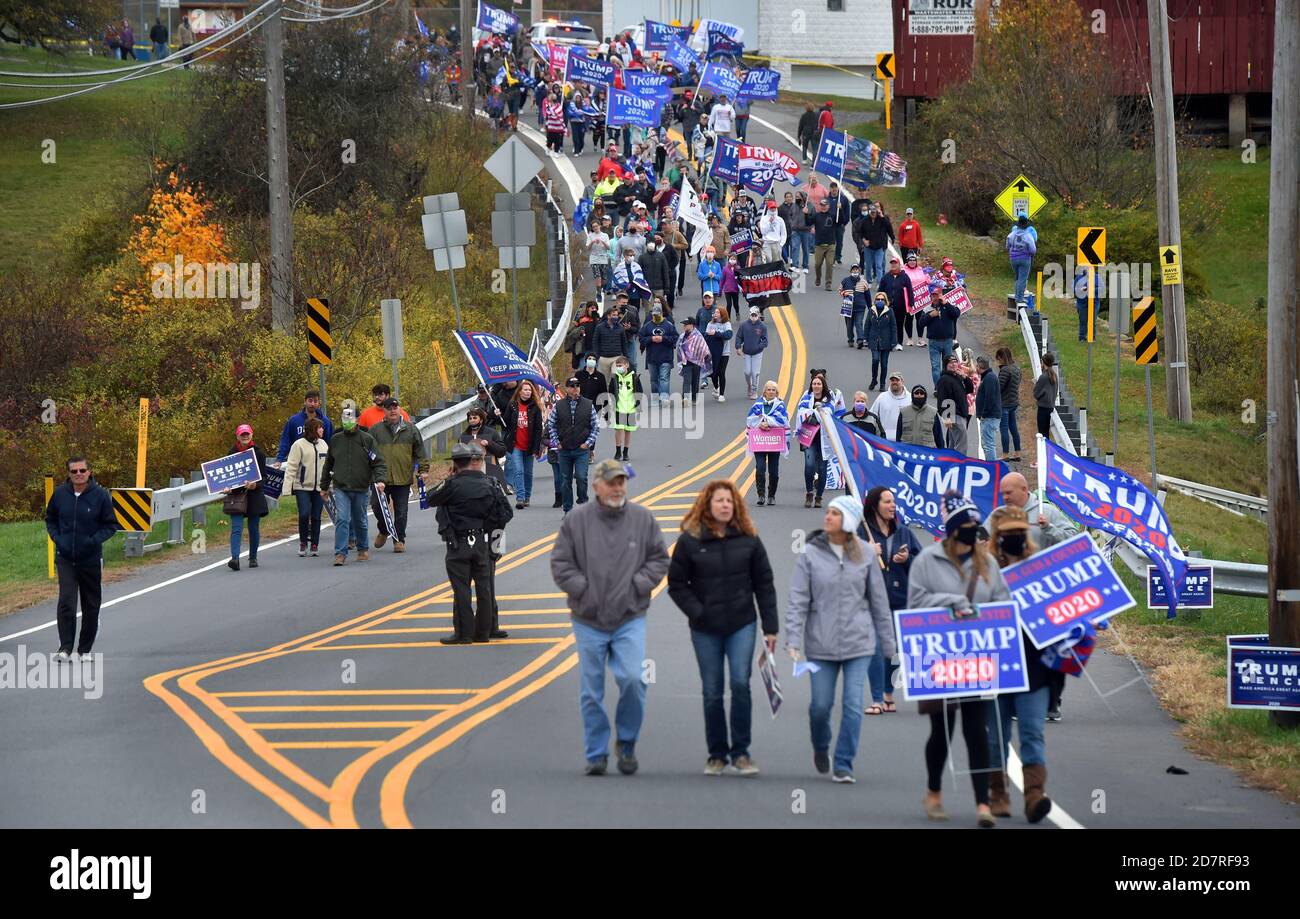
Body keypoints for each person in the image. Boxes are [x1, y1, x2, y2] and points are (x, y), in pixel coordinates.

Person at [551, 458, 670, 775]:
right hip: (588, 619)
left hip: (629, 617)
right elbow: (561, 564)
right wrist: (583, 591)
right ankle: (596, 753)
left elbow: (659, 559)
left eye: (622, 482)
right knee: (592, 691)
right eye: (612, 482)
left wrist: (639, 586)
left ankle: (627, 743)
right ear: (597, 486)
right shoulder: (576, 520)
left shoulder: (642, 519)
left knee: (633, 680)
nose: (618, 487)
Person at [908, 492, 1011, 827]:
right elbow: (915, 604)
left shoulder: (988, 564)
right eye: (967, 523)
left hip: (977, 658)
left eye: (975, 523)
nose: (973, 529)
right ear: (953, 529)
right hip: (938, 658)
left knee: (976, 730)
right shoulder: (927, 561)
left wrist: (985, 615)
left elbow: (1003, 604)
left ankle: (982, 803)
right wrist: (951, 601)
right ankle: (934, 792)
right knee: (942, 729)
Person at [668, 480, 778, 776]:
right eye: (719, 501)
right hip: (705, 627)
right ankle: (717, 754)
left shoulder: (749, 539)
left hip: (742, 623)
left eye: (729, 501)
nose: (725, 505)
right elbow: (677, 584)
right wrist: (697, 612)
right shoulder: (690, 541)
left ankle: (741, 752)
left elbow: (764, 584)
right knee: (713, 690)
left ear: (736, 505)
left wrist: (771, 628)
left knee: (740, 684)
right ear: (708, 504)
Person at [786, 495, 895, 783]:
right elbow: (798, 599)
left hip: (858, 643)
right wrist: (793, 639)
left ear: (847, 521)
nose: (828, 517)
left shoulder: (866, 554)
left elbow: (879, 602)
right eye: (828, 512)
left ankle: (844, 762)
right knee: (820, 707)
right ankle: (821, 746)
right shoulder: (811, 554)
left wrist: (888, 645)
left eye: (834, 513)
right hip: (820, 644)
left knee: (851, 704)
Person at [985, 505, 1054, 822]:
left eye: (1018, 532)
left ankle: (1034, 796)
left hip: (1034, 668)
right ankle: (997, 793)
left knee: (1032, 733)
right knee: (996, 736)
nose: (1013, 537)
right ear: (998, 537)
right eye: (1008, 533)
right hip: (995, 668)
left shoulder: (1041, 568)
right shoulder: (983, 571)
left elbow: (1058, 610)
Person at [427, 443, 515, 644]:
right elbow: (505, 514)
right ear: (473, 461)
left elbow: (430, 499)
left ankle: (464, 633)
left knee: (462, 588)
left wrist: (449, 478)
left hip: (459, 542)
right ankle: (484, 632)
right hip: (483, 540)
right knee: (484, 588)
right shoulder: (490, 484)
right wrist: (490, 532)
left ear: (455, 464)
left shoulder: (452, 485)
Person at [44, 456, 116, 660]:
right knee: (66, 601)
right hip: (66, 558)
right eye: (74, 471)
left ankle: (84, 650)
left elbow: (110, 525)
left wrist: (93, 541)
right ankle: (65, 648)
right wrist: (58, 539)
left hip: (90, 559)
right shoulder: (59, 494)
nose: (78, 474)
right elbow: (50, 519)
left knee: (91, 604)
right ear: (68, 473)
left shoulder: (100, 495)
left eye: (82, 470)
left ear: (89, 471)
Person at [860, 486, 922, 715]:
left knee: (894, 649)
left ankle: (888, 692)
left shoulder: (904, 533)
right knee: (875, 648)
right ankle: (877, 698)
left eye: (893, 501)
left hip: (899, 599)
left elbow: (923, 563)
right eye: (887, 501)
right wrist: (866, 550)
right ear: (875, 505)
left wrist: (907, 559)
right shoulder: (863, 532)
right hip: (871, 601)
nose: (892, 505)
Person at [320, 403, 387, 566]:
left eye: (350, 417)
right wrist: (324, 486)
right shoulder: (336, 440)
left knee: (360, 520)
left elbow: (378, 462)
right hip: (341, 487)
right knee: (342, 519)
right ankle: (340, 553)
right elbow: (328, 464)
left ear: (357, 419)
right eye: (344, 417)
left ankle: (363, 548)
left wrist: (380, 480)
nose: (347, 420)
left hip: (361, 486)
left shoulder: (367, 440)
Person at [368, 397, 428, 552]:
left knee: (401, 512)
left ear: (399, 409)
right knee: (376, 506)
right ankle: (384, 529)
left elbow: (420, 451)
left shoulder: (411, 429)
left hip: (402, 477)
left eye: (395, 407)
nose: (393, 410)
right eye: (389, 408)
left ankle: (399, 539)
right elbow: (367, 453)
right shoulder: (375, 430)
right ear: (385, 411)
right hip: (380, 478)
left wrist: (423, 470)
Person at [221, 424, 269, 571]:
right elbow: (227, 476)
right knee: (236, 528)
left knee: (253, 527)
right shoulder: (232, 453)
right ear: (237, 436)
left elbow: (264, 478)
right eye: (242, 434)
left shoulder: (259, 453)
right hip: (236, 496)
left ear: (252, 435)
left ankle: (253, 557)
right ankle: (235, 558)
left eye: (247, 434)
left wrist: (255, 485)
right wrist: (227, 488)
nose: (245, 437)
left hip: (254, 495)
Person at [548, 376, 600, 513]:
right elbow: (551, 424)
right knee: (566, 481)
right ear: (566, 388)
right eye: (572, 386)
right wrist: (556, 442)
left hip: (581, 449)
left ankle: (583, 503)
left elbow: (596, 426)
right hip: (564, 450)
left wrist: (588, 443)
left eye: (577, 386)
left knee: (581, 478)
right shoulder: (558, 406)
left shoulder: (588, 404)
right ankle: (568, 509)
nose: (575, 388)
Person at [795, 371, 845, 508]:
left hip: (824, 438)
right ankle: (809, 492)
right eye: (814, 384)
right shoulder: (806, 397)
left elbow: (828, 413)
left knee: (822, 468)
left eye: (819, 384)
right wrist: (815, 412)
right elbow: (801, 412)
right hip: (809, 437)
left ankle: (819, 496)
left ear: (823, 386)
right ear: (811, 385)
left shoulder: (830, 399)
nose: (816, 386)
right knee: (809, 465)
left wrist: (815, 413)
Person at [992, 471, 1077, 552]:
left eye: (1008, 492)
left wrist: (1049, 528)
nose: (1005, 497)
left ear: (1024, 489)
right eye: (1002, 494)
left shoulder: (1047, 511)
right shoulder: (998, 515)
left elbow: (1074, 539)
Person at [283, 416, 329, 557]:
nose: (322, 430)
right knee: (304, 514)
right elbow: (291, 466)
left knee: (316, 516)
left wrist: (329, 487)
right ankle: (303, 542)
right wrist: (286, 488)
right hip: (301, 486)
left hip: (319, 487)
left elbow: (328, 468)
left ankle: (315, 543)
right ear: (313, 429)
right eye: (320, 427)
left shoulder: (324, 445)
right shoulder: (298, 445)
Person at [746, 380, 788, 506]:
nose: (771, 392)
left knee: (773, 471)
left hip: (774, 441)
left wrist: (768, 422)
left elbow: (783, 421)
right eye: (768, 389)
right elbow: (750, 421)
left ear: (776, 392)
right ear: (764, 392)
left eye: (773, 390)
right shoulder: (757, 405)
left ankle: (771, 495)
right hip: (760, 441)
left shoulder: (780, 405)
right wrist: (761, 424)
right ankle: (761, 495)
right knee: (760, 468)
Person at [916, 287, 961, 385]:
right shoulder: (927, 308)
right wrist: (931, 315)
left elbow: (956, 314)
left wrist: (946, 304)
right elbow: (921, 323)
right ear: (930, 297)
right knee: (935, 366)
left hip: (947, 341)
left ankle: (947, 386)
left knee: (948, 366)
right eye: (933, 296)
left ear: (941, 295)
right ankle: (938, 387)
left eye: (937, 295)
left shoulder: (948, 306)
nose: (935, 298)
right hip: (934, 342)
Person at [275, 389, 334, 463]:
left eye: (315, 401)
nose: (312, 404)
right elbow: (285, 441)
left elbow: (331, 444)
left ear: (319, 403)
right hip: (298, 462)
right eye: (310, 401)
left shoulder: (325, 422)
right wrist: (279, 460)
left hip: (319, 463)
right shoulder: (294, 420)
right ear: (305, 401)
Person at [639, 302, 679, 405]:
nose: (655, 316)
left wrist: (663, 338)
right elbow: (641, 339)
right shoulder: (647, 326)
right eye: (653, 314)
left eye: (657, 314)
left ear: (661, 313)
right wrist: (651, 339)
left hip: (665, 357)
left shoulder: (669, 325)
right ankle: (655, 398)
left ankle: (664, 398)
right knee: (653, 379)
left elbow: (675, 338)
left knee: (664, 378)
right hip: (652, 357)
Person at [936, 353, 974, 454]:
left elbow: (970, 389)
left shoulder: (957, 376)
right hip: (954, 415)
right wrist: (946, 417)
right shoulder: (944, 380)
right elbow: (941, 399)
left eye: (955, 362)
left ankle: (951, 465)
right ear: (945, 365)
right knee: (961, 446)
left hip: (960, 414)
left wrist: (965, 377)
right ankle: (960, 465)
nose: (953, 364)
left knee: (953, 445)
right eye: (950, 363)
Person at [607, 355, 641, 461]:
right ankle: (618, 451)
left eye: (620, 365)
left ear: (627, 365)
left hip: (630, 407)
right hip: (619, 407)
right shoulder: (615, 377)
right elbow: (611, 391)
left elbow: (639, 390)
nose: (619, 367)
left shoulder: (634, 376)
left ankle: (626, 452)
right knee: (619, 429)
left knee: (628, 430)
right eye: (617, 366)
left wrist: (638, 401)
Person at [879, 256, 916, 348]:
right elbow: (880, 291)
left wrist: (911, 304)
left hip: (901, 306)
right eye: (892, 263)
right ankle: (889, 341)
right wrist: (879, 302)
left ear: (899, 265)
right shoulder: (886, 277)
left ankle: (899, 343)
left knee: (899, 324)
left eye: (895, 263)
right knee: (887, 324)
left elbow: (910, 291)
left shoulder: (905, 277)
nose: (893, 265)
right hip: (888, 306)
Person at [865, 290, 899, 387]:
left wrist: (894, 341)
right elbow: (867, 324)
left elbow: (893, 327)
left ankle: (882, 383)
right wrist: (865, 338)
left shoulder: (890, 311)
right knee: (875, 360)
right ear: (875, 300)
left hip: (886, 341)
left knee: (884, 364)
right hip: (874, 340)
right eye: (878, 299)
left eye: (882, 299)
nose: (880, 301)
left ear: (885, 301)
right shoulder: (871, 310)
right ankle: (874, 379)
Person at [735, 305, 768, 401]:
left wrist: (758, 347)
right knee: (747, 372)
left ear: (758, 315)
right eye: (752, 315)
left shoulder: (762, 326)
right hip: (747, 352)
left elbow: (765, 341)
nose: (753, 317)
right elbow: (739, 337)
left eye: (755, 315)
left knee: (755, 372)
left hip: (757, 353)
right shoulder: (744, 325)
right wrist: (738, 347)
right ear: (749, 314)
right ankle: (749, 385)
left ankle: (754, 390)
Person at [996, 347, 1023, 461]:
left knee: (1004, 429)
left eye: (998, 359)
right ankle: (1017, 453)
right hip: (1014, 402)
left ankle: (1005, 454)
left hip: (1004, 403)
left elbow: (999, 387)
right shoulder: (1017, 368)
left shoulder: (1005, 370)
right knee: (1014, 429)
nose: (998, 361)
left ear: (1002, 357)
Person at [677, 315, 711, 404]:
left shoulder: (698, 336)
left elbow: (704, 348)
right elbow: (679, 347)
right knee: (687, 380)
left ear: (692, 325)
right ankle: (685, 398)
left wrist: (704, 357)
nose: (684, 326)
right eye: (683, 324)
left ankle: (694, 398)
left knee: (695, 381)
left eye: (686, 324)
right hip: (686, 362)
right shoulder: (682, 336)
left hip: (697, 362)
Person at [858, 202, 894, 285]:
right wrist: (864, 240)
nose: (873, 214)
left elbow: (889, 228)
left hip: (879, 247)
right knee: (868, 266)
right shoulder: (865, 220)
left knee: (879, 265)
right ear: (869, 212)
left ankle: (879, 283)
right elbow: (860, 232)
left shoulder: (882, 219)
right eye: (871, 212)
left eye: (874, 212)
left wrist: (892, 238)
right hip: (868, 247)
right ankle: (869, 281)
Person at [974, 356, 1002, 462]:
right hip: (990, 416)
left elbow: (989, 398)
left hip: (989, 417)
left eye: (977, 365)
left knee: (988, 444)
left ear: (980, 366)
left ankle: (991, 467)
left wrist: (983, 414)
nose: (976, 367)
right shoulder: (988, 377)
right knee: (987, 443)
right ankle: (990, 464)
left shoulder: (989, 378)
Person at [1006, 215, 1037, 305]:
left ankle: (1017, 296)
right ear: (1026, 225)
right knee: (1022, 279)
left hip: (1013, 258)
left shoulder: (1011, 235)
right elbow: (1033, 250)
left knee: (1017, 277)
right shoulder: (1028, 235)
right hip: (1025, 259)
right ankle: (1019, 298)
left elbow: (1007, 246)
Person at [1032, 351, 1059, 457]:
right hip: (1050, 407)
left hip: (1043, 408)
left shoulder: (1043, 377)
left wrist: (1036, 384)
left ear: (1043, 362)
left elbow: (1036, 393)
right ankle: (1047, 456)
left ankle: (1043, 457)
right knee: (1046, 434)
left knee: (1042, 434)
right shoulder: (1054, 375)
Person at [704, 304, 733, 402]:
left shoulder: (727, 324)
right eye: (714, 312)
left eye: (717, 312)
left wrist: (716, 334)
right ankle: (716, 387)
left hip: (724, 353)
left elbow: (728, 335)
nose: (715, 314)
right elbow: (706, 336)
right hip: (713, 353)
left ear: (722, 314)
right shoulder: (710, 324)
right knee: (713, 373)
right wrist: (709, 335)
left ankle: (722, 394)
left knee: (721, 372)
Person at [870, 372, 910, 441]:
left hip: (904, 441)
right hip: (885, 441)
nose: (894, 382)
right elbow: (872, 416)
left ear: (902, 382)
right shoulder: (882, 397)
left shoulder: (910, 398)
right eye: (892, 380)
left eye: (897, 380)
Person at [811, 197, 838, 291]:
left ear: (828, 206)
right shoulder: (816, 215)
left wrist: (840, 209)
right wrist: (805, 214)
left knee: (830, 264)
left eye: (825, 205)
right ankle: (818, 277)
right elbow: (808, 222)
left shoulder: (834, 215)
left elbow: (841, 221)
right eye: (822, 205)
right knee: (818, 264)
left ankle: (828, 283)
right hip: (819, 245)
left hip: (830, 244)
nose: (823, 207)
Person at [1073, 265, 1106, 340]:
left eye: (1091, 268)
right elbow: (1075, 289)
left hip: (1095, 302)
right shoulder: (1079, 277)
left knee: (1093, 320)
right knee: (1083, 320)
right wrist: (1081, 289)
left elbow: (1102, 289)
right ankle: (1082, 337)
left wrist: (1090, 289)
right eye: (1087, 268)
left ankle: (1092, 337)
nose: (1088, 270)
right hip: (1082, 302)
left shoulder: (1097, 277)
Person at [840, 264, 868, 347]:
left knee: (859, 323)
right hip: (848, 307)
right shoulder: (845, 280)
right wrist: (844, 293)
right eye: (853, 269)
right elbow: (840, 290)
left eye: (857, 269)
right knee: (849, 325)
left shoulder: (864, 282)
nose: (855, 271)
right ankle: (850, 339)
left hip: (860, 307)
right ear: (851, 271)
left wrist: (870, 306)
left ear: (859, 271)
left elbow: (867, 295)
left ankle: (860, 340)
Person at [758, 200, 787, 265]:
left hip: (777, 243)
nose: (773, 209)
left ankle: (776, 275)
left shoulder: (780, 220)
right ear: (768, 208)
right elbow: (763, 231)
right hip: (767, 243)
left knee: (776, 263)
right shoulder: (764, 219)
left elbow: (783, 233)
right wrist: (769, 222)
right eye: (771, 208)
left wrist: (781, 244)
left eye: (774, 208)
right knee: (768, 260)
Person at [587, 221, 612, 294]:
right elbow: (587, 248)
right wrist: (592, 242)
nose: (595, 228)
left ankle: (601, 287)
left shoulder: (605, 235)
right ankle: (598, 292)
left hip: (603, 258)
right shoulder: (590, 236)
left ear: (599, 226)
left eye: (596, 226)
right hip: (594, 258)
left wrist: (602, 242)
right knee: (597, 275)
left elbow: (608, 247)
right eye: (593, 227)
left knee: (604, 277)